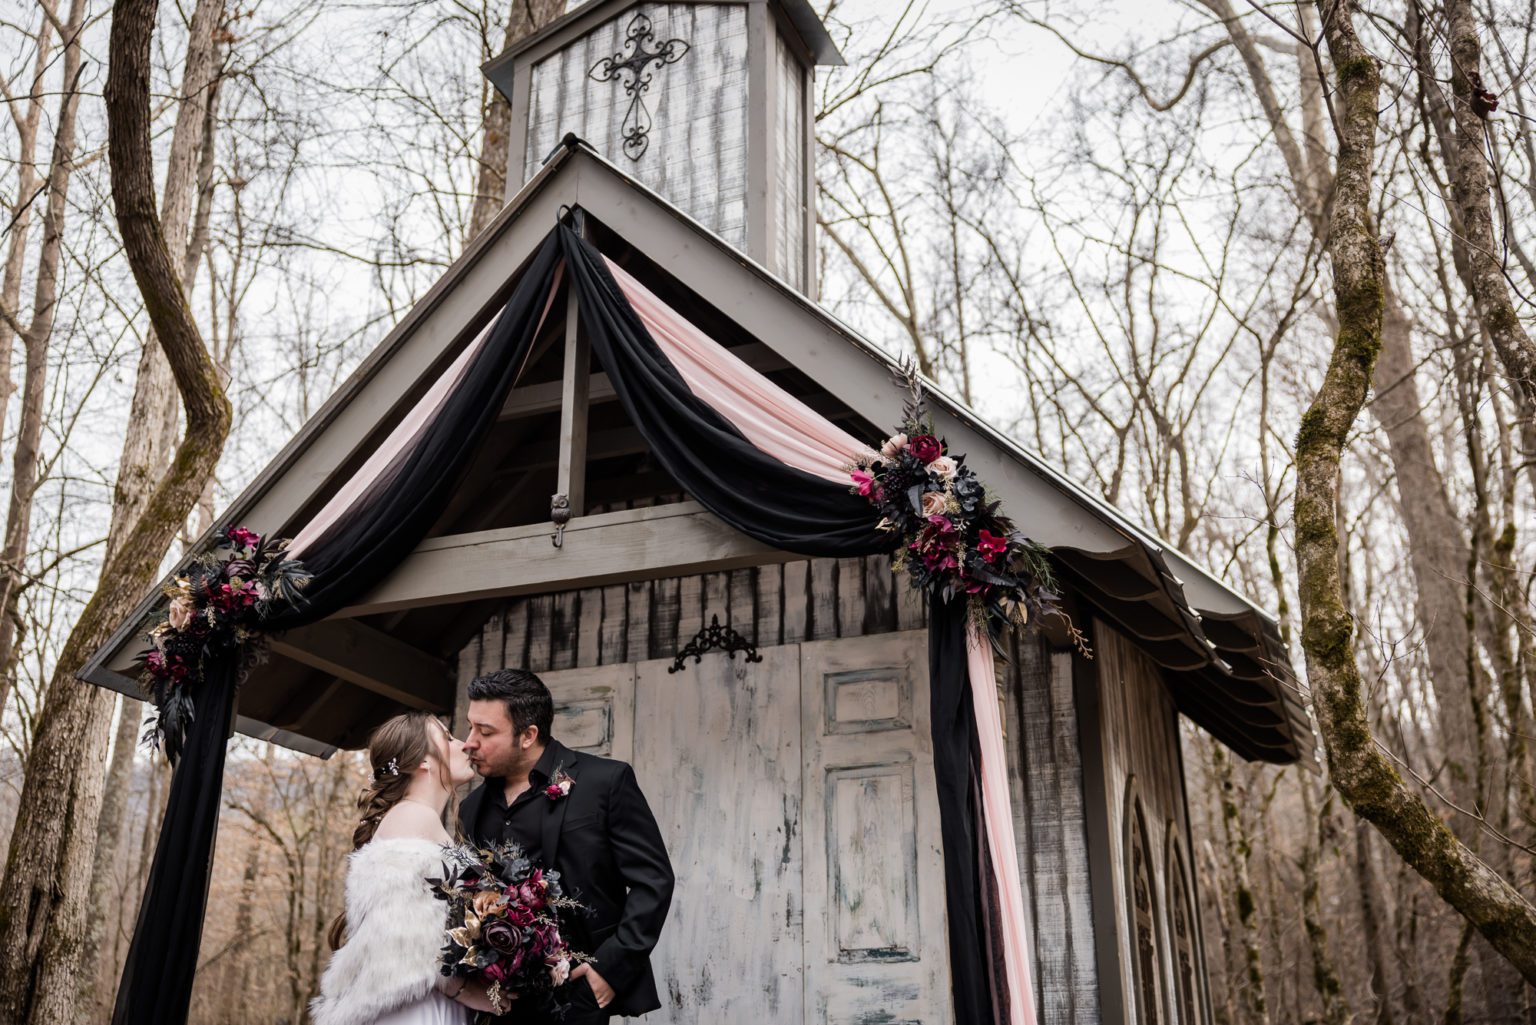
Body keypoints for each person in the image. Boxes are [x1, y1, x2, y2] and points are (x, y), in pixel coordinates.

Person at [459, 668, 674, 1024]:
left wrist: (608, 967)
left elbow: (653, 881)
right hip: (496, 999)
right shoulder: (471, 807)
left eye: (485, 732)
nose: (470, 742)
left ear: (528, 735)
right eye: (470, 727)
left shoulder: (606, 781)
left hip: (578, 991)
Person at [312, 712, 501, 1025]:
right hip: (417, 1006)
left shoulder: (420, 820)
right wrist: (469, 992)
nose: (464, 744)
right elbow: (410, 942)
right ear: (422, 762)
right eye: (448, 738)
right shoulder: (412, 817)